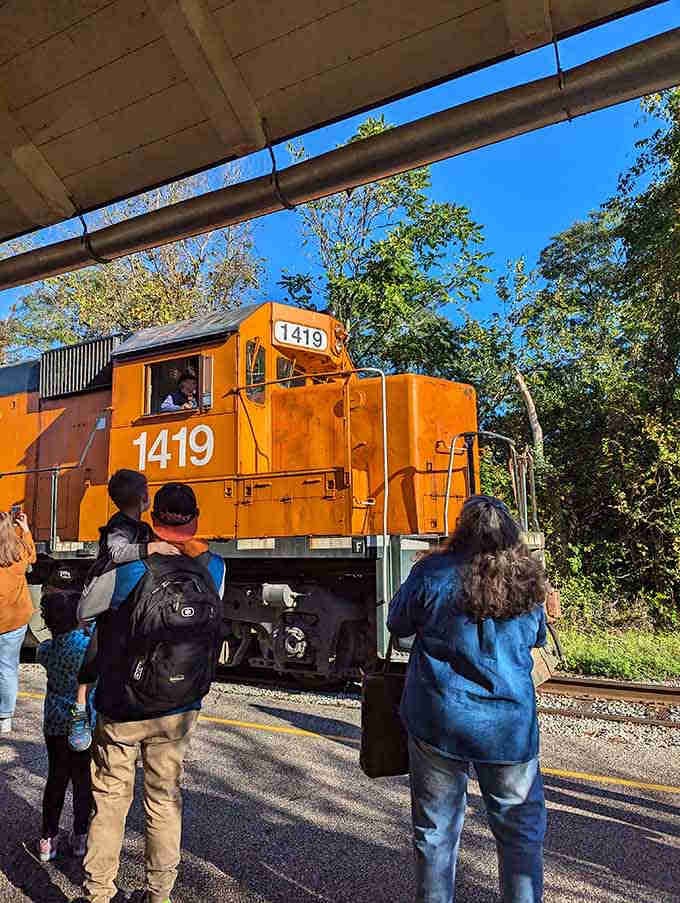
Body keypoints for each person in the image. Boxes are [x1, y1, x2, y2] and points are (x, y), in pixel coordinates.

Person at [387, 495, 548, 903]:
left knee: (436, 832)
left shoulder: (431, 573)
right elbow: (537, 639)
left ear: (461, 530)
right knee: (520, 832)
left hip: (439, 718)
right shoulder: (529, 578)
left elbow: (397, 622)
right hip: (509, 727)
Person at [78, 482, 226, 903]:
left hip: (122, 704)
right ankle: (159, 892)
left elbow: (83, 610)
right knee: (164, 800)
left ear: (153, 518)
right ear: (195, 520)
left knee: (109, 799)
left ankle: (98, 893)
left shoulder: (129, 567)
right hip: (179, 707)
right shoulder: (213, 567)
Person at [68, 469, 179, 753]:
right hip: (106, 600)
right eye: (148, 490)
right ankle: (80, 709)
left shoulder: (138, 525)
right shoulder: (120, 526)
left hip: (128, 598)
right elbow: (117, 553)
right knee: (95, 650)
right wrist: (152, 547)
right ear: (142, 497)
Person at [36, 591, 95, 861]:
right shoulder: (86, 647)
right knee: (83, 780)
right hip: (83, 724)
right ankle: (80, 836)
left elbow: (46, 648)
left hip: (55, 724)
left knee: (56, 779)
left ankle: (48, 838)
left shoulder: (46, 650)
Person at [0, 509, 36, 734]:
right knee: (7, 667)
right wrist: (25, 529)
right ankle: (5, 716)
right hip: (15, 620)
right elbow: (32, 554)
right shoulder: (20, 553)